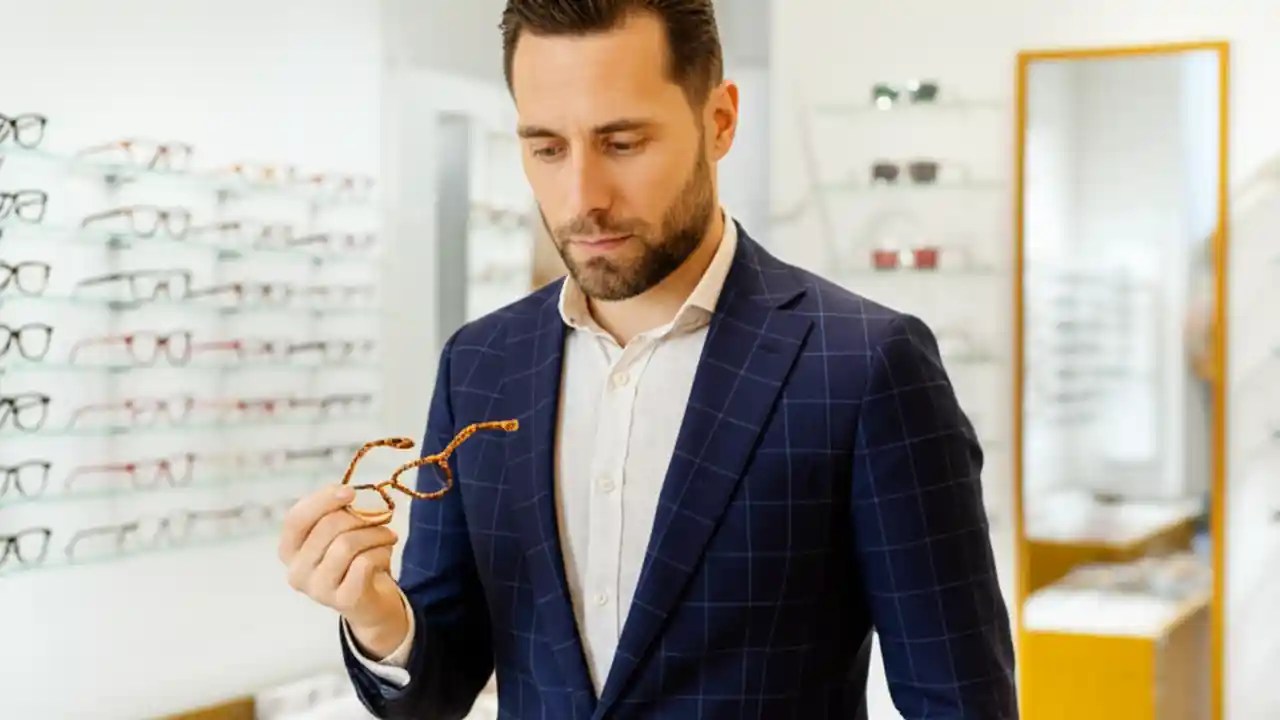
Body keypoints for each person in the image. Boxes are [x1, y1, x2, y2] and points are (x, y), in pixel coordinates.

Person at [277, 1, 1018, 717]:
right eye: (546, 148)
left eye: (623, 142)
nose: (581, 197)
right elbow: (443, 686)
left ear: (719, 121)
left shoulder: (866, 366)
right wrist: (375, 615)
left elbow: (960, 700)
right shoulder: (479, 365)